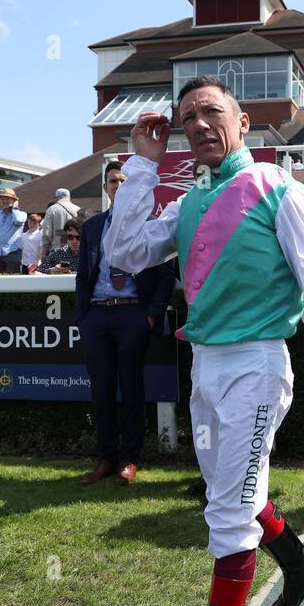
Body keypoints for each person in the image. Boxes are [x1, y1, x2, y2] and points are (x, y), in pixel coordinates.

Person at [103, 75, 304, 606]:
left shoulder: (282, 189)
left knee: (228, 516)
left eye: (211, 111)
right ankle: (300, 568)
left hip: (257, 365)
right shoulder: (188, 200)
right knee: (235, 498)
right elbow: (123, 254)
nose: (199, 123)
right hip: (206, 369)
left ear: (242, 122)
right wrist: (142, 166)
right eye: (188, 117)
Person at [76, 196, 177, 487]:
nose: (119, 187)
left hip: (133, 313)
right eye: (114, 182)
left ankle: (129, 459)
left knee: (132, 389)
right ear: (107, 188)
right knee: (101, 391)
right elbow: (83, 274)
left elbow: (165, 277)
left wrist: (149, 317)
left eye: (124, 182)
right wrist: (83, 316)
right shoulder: (93, 226)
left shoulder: (150, 226)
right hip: (97, 315)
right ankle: (106, 458)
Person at [0, 189, 26, 273]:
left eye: (8, 199)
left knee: (14, 281)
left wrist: (15, 208)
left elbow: (19, 220)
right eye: (2, 199)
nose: (4, 201)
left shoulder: (21, 214)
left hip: (13, 251)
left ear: (14, 201)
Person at [41, 186, 81, 258]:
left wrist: (45, 251)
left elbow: (47, 234)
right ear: (69, 197)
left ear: (57, 197)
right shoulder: (78, 209)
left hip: (57, 250)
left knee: (57, 269)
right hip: (75, 251)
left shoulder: (51, 209)